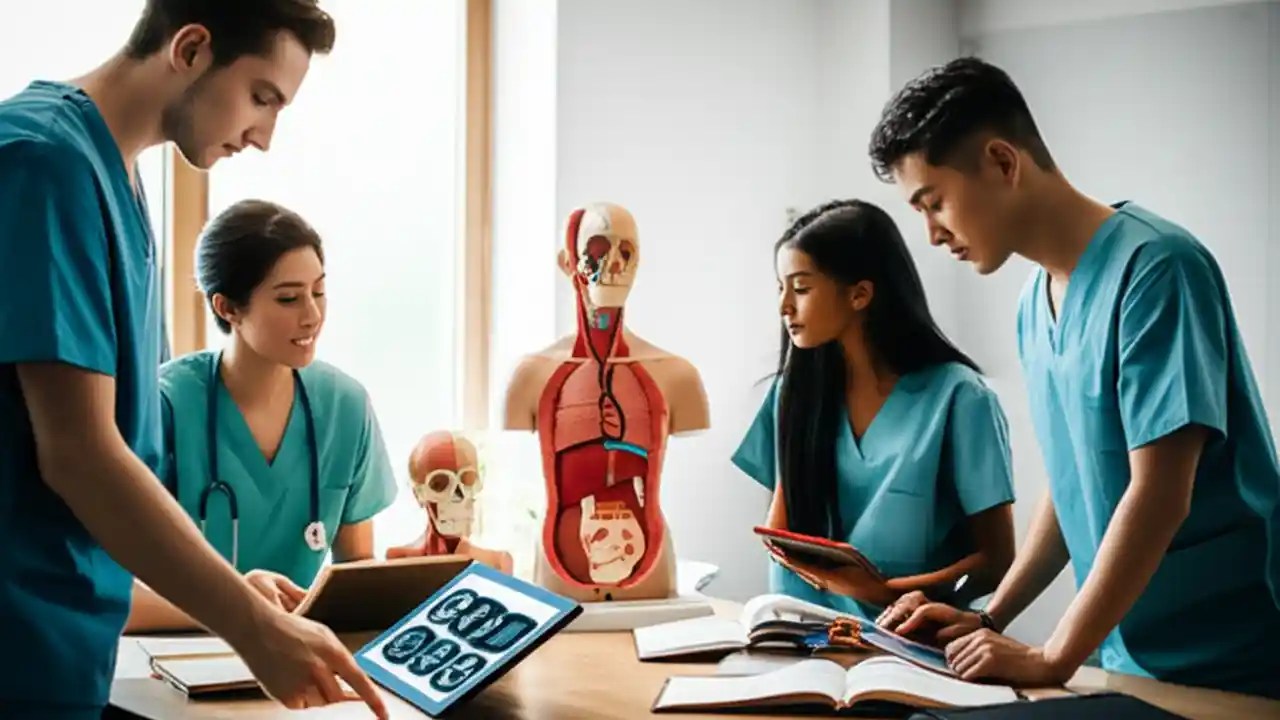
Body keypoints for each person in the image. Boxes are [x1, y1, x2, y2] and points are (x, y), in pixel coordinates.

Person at [0, 1, 389, 717]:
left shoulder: (112, 179)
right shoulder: (45, 163)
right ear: (191, 48)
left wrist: (241, 594)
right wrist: (253, 626)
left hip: (64, 653)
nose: (266, 136)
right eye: (261, 97)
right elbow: (80, 454)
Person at [869, 56, 1280, 698]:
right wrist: (989, 616)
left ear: (1004, 163)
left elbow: (1160, 493)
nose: (930, 233)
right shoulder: (1036, 302)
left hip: (1234, 662)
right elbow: (1072, 484)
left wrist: (1053, 656)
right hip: (1128, 660)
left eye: (935, 202)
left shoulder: (1158, 269)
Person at [731, 199, 1017, 622]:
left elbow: (997, 562)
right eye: (781, 288)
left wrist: (884, 592)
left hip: (910, 640)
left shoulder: (960, 398)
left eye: (802, 288)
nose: (784, 307)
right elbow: (782, 544)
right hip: (802, 637)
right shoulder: (793, 395)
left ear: (860, 294)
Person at [126, 199, 398, 632]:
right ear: (227, 308)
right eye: (289, 298)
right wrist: (238, 605)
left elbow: (354, 581)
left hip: (299, 664)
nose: (312, 315)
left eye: (319, 292)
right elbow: (113, 595)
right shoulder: (166, 406)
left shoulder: (345, 407)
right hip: (177, 665)